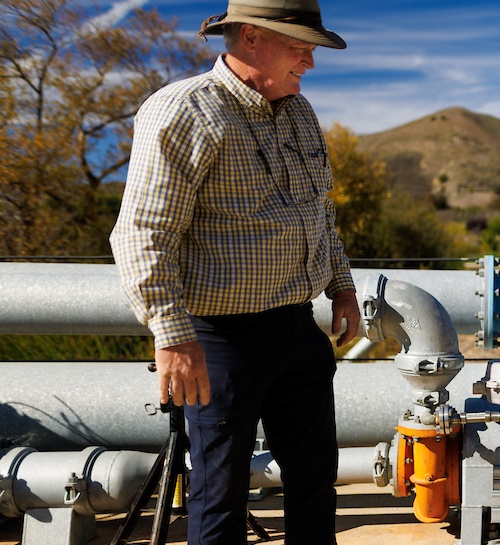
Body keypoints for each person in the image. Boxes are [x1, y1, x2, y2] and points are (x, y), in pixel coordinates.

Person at [110, 1, 359, 543]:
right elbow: (143, 234)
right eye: (300, 47)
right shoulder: (184, 111)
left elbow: (319, 213)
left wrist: (342, 286)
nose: (309, 63)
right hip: (218, 341)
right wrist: (173, 336)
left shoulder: (298, 110)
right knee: (219, 492)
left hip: (298, 327)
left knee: (315, 479)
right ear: (250, 37)